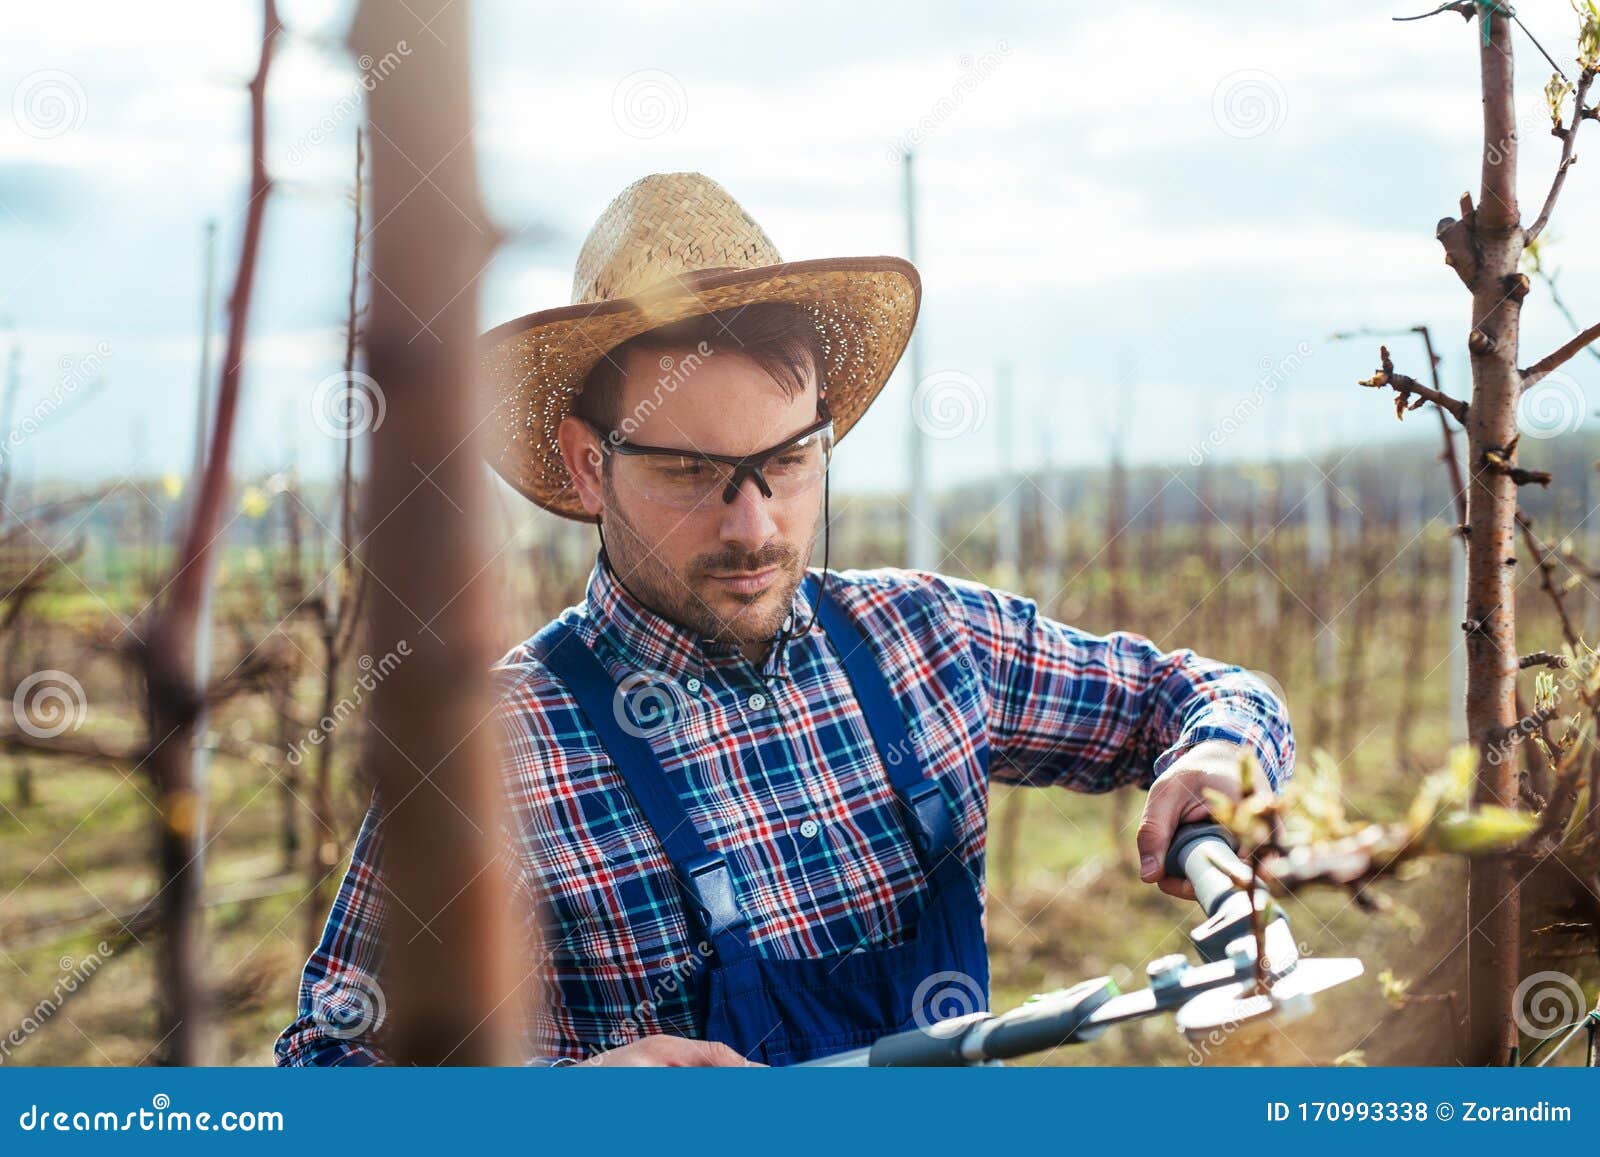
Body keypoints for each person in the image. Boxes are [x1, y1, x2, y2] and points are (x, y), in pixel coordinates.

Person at [274, 172, 1293, 1068]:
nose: (754, 524)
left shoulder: (930, 640)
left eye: (790, 461)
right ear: (589, 464)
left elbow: (1197, 694)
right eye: (691, 472)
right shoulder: (495, 749)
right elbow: (324, 1066)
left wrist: (1217, 756)